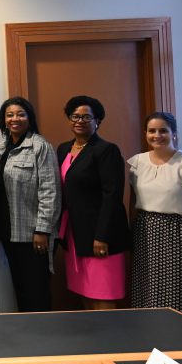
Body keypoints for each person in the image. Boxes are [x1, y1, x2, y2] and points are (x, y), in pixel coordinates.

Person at [128, 111, 182, 318]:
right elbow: (132, 204)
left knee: (177, 297)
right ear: (145, 133)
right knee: (146, 295)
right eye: (152, 131)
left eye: (163, 131)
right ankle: (150, 337)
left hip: (178, 235)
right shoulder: (137, 163)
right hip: (145, 234)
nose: (157, 135)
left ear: (174, 133)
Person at [55, 96, 130, 310]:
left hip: (100, 234)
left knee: (103, 293)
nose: (80, 120)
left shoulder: (106, 150)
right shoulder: (63, 149)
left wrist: (101, 236)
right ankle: (93, 333)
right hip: (75, 233)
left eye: (86, 117)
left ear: (97, 121)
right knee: (84, 290)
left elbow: (112, 195)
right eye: (75, 116)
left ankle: (110, 334)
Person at [0, 97, 60, 312]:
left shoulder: (40, 146)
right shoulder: (1, 148)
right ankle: (26, 332)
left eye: (21, 114)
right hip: (9, 231)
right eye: (10, 115)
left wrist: (42, 230)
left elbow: (50, 191)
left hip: (33, 235)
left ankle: (43, 331)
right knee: (20, 289)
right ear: (4, 120)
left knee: (36, 292)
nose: (15, 119)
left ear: (29, 118)